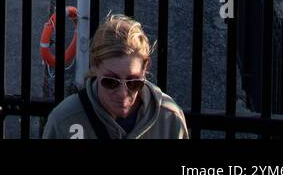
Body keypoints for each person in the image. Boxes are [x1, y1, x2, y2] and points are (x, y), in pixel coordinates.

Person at [43, 13, 188, 140]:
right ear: (94, 66)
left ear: (145, 68)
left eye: (133, 83)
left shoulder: (170, 119)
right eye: (111, 82)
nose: (122, 94)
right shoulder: (64, 121)